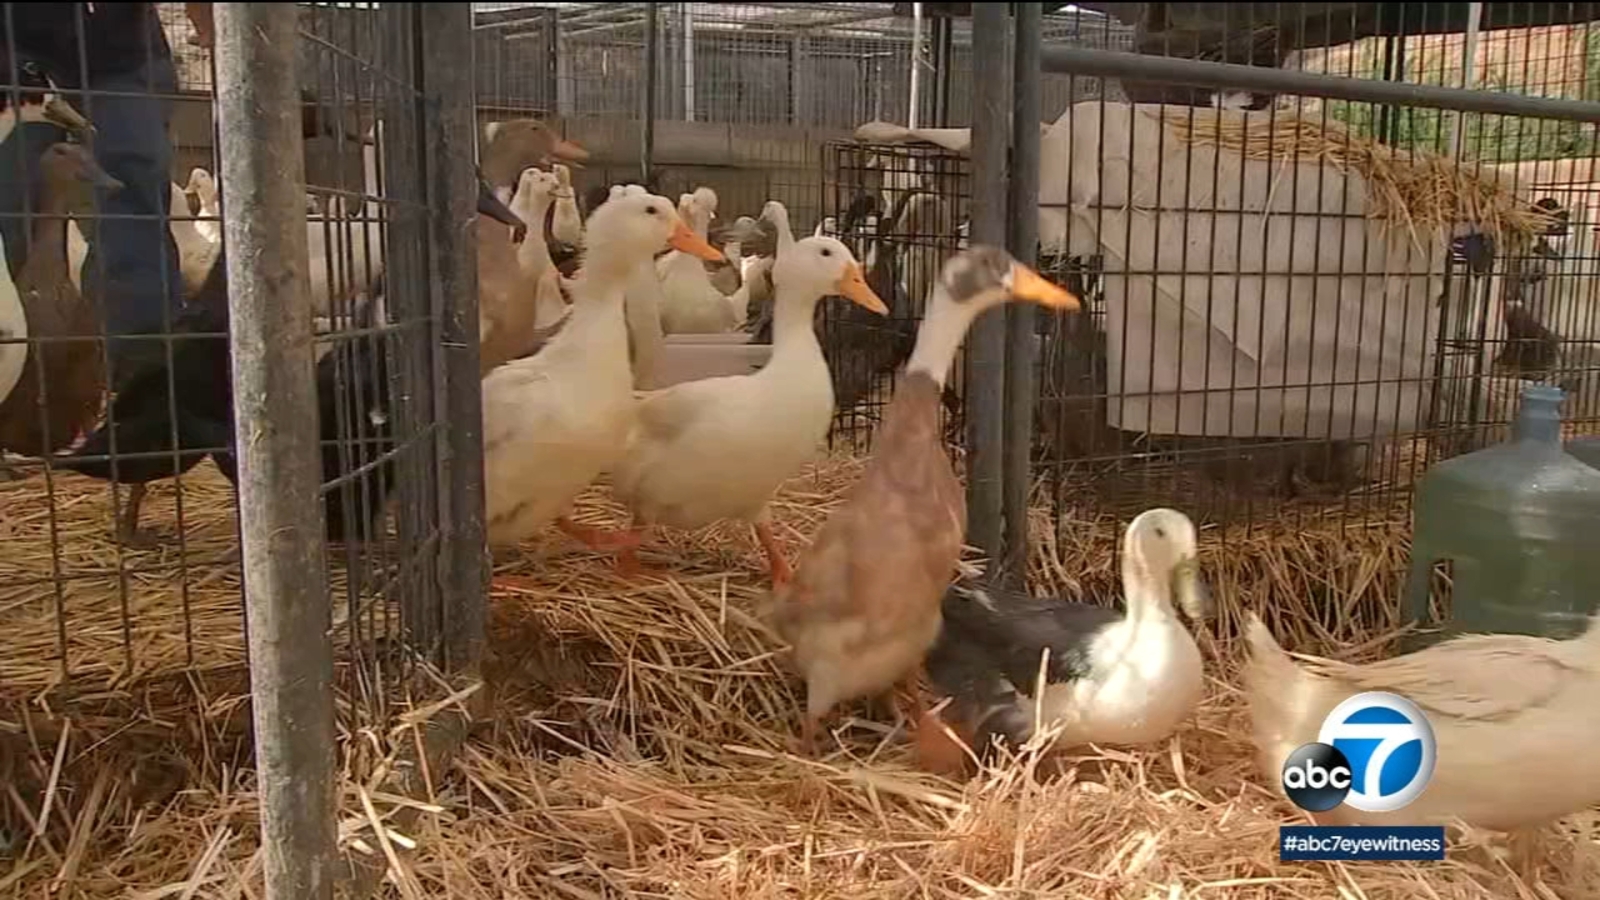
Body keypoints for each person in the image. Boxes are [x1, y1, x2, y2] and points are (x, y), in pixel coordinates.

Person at [1, 3, 191, 392]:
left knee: (134, 183)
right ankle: (21, 375)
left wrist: (224, 41)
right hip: (11, 42)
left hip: (118, 48)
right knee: (12, 199)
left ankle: (141, 380)